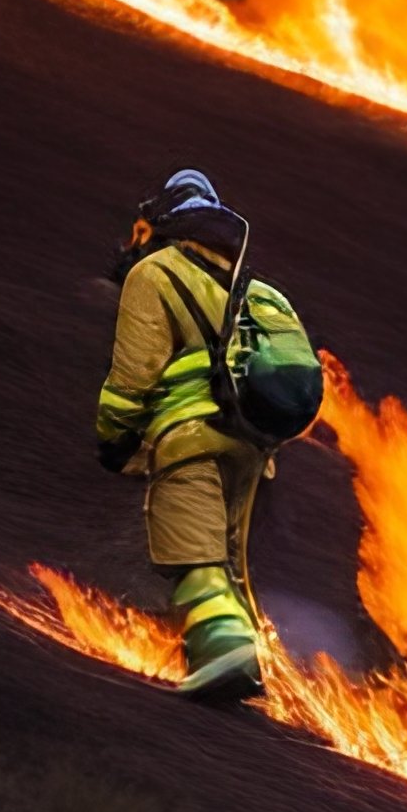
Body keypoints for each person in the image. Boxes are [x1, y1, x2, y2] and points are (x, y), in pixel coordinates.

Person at [95, 168, 272, 702]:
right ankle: (240, 659)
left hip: (190, 436)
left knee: (193, 558)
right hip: (252, 447)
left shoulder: (154, 275)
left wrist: (114, 437)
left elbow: (132, 379)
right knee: (229, 565)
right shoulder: (251, 288)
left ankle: (225, 655)